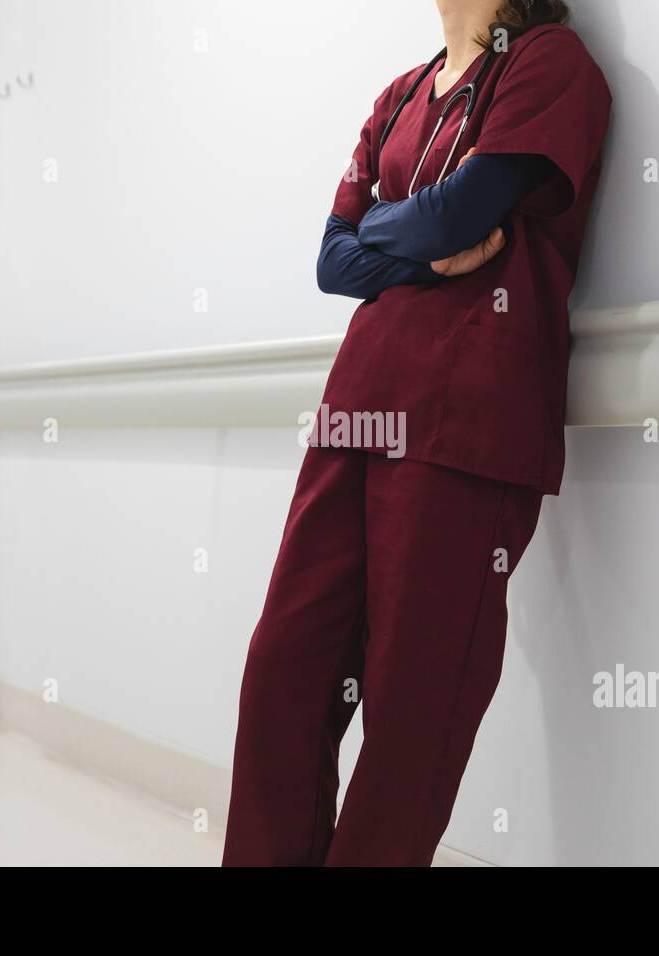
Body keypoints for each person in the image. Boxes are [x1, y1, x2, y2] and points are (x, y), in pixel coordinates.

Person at [223, 0, 612, 866]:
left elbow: (458, 214)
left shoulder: (549, 65)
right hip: (357, 406)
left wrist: (394, 230)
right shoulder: (401, 94)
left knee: (415, 701)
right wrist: (421, 233)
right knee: (285, 663)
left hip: (465, 414)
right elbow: (333, 259)